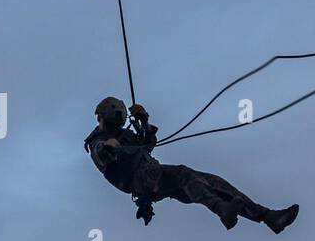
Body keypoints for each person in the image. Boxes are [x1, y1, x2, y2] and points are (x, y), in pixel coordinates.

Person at [84, 97, 299, 232]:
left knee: (213, 183)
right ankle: (222, 209)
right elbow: (103, 154)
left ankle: (269, 217)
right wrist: (111, 146)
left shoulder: (125, 136)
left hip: (151, 180)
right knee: (184, 174)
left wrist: (144, 121)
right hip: (142, 181)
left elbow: (147, 144)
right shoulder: (98, 140)